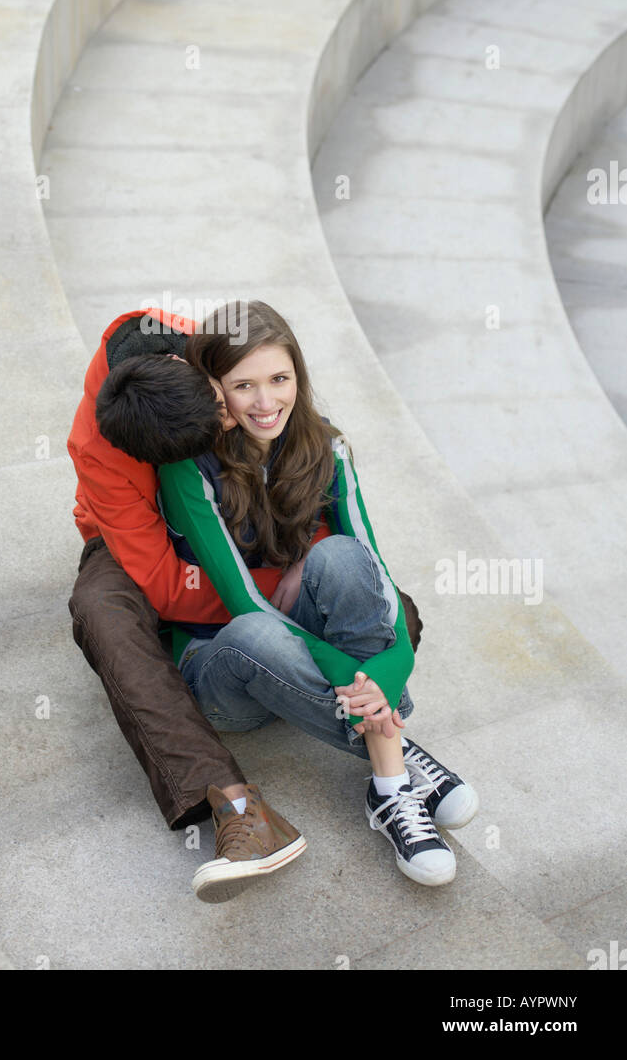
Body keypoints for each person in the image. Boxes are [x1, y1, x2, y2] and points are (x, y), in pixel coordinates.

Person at [152, 300, 478, 890]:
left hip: (302, 648)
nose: (266, 401)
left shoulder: (326, 447)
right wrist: (381, 693)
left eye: (279, 379)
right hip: (225, 667)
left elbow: (375, 572)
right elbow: (246, 605)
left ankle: (387, 792)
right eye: (243, 385)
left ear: (298, 376)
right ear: (214, 390)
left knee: (342, 559)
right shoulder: (187, 464)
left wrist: (388, 668)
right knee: (254, 631)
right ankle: (398, 755)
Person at [67, 305, 309, 900]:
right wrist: (259, 600)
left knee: (389, 605)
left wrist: (306, 574)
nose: (240, 418)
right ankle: (240, 810)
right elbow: (163, 581)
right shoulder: (100, 450)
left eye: (226, 407)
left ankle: (340, 690)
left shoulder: (209, 342)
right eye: (226, 413)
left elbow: (305, 468)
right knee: (101, 609)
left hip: (236, 518)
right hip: (144, 543)